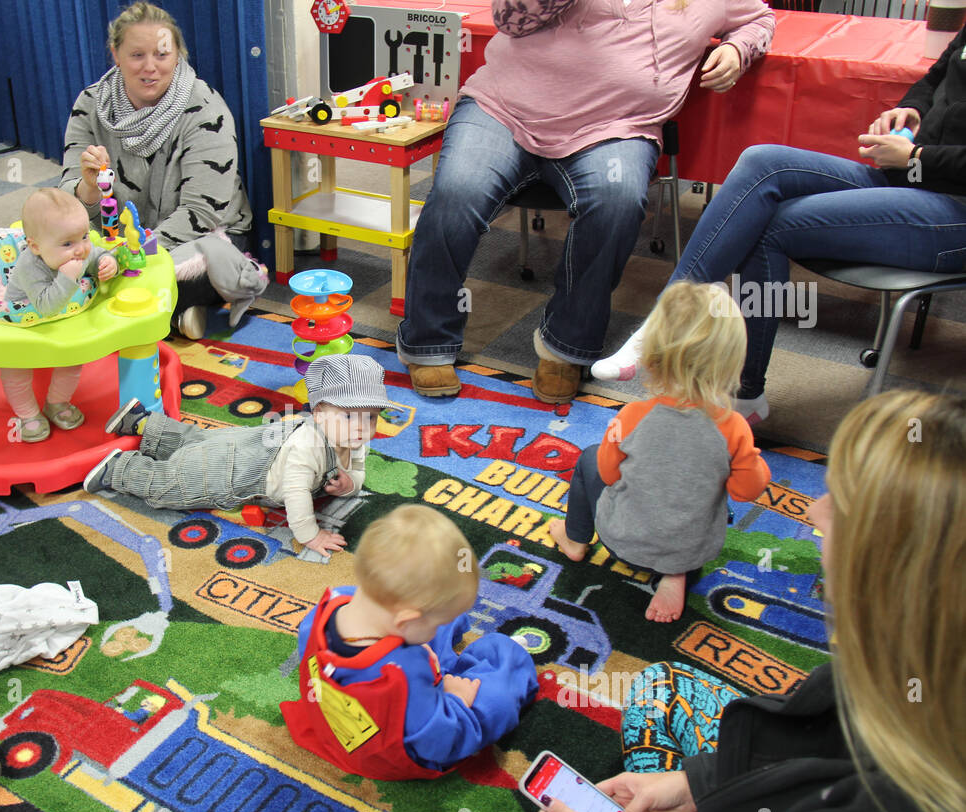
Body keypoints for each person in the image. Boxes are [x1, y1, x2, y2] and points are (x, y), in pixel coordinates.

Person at [533, 390, 966, 812]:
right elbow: (823, 741)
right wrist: (700, 785)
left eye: (841, 504)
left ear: (900, 562)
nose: (813, 512)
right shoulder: (916, 676)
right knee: (659, 685)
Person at [395, 0, 776, 404]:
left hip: (616, 127)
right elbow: (508, 18)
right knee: (457, 190)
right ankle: (427, 339)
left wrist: (738, 48)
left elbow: (760, 17)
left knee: (618, 201)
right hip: (504, 109)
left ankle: (565, 346)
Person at [592, 25, 966, 425]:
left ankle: (739, 386)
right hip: (907, 175)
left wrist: (918, 155)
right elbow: (936, 77)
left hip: (952, 209)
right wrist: (911, 108)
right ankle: (672, 325)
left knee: (768, 226)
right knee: (761, 161)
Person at [547, 283, 771, 623]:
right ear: (732, 362)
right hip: (691, 551)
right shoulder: (734, 427)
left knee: (590, 458)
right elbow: (746, 491)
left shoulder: (631, 417)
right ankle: (675, 574)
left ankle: (576, 539)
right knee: (710, 489)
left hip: (624, 542)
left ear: (651, 355)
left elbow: (608, 476)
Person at [280, 504, 539, 781]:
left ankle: (445, 617)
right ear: (405, 621)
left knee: (440, 607)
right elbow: (437, 741)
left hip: (342, 713)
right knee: (499, 689)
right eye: (434, 623)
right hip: (389, 750)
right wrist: (455, 700)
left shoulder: (333, 602)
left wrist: (435, 621)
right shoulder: (402, 672)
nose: (436, 627)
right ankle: (504, 657)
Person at [60, 1, 254, 338]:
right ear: (115, 54)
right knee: (46, 251)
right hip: (115, 237)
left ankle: (148, 310)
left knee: (197, 270)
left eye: (162, 55)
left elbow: (201, 213)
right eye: (137, 55)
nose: (150, 68)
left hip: (198, 238)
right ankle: (168, 315)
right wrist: (88, 189)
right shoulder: (91, 104)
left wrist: (128, 257)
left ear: (178, 55)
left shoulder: (204, 108)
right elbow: (66, 201)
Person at [83, 354, 386, 557]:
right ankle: (121, 469)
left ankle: (145, 425)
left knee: (205, 438)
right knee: (180, 483)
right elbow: (296, 495)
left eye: (370, 418)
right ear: (319, 414)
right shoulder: (307, 449)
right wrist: (311, 536)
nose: (362, 428)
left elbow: (357, 469)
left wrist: (351, 484)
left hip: (263, 440)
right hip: (244, 473)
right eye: (349, 417)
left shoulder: (353, 437)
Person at [1, 188, 120, 442]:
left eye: (85, 236)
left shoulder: (78, 252)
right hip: (21, 325)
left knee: (71, 360)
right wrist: (69, 277)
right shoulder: (29, 265)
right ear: (35, 246)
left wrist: (108, 262)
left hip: (61, 326)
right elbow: (45, 306)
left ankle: (57, 403)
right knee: (15, 370)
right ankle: (28, 415)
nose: (81, 249)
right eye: (68, 243)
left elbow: (97, 255)